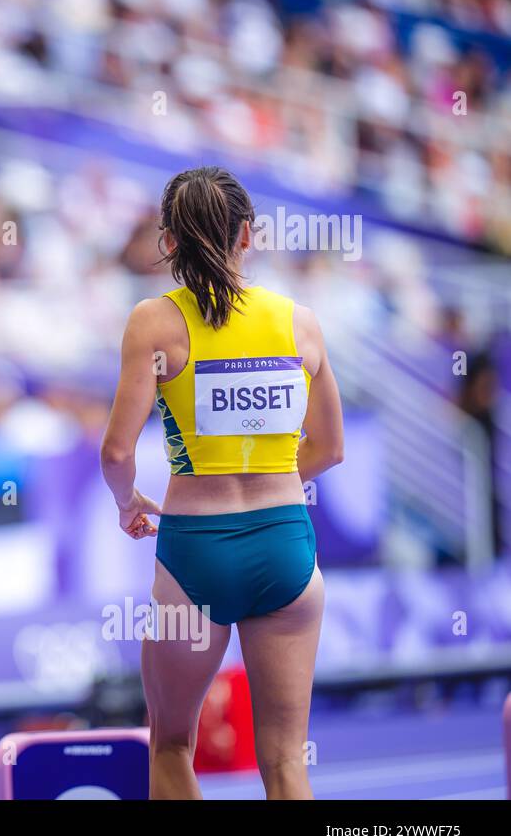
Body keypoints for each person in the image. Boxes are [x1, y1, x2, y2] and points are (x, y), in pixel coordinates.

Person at [99, 167, 344, 799]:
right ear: (247, 235)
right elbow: (331, 448)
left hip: (194, 554)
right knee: (286, 761)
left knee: (172, 744)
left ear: (169, 241)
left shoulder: (155, 323)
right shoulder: (300, 323)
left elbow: (117, 450)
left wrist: (128, 502)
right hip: (287, 546)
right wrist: (272, 479)